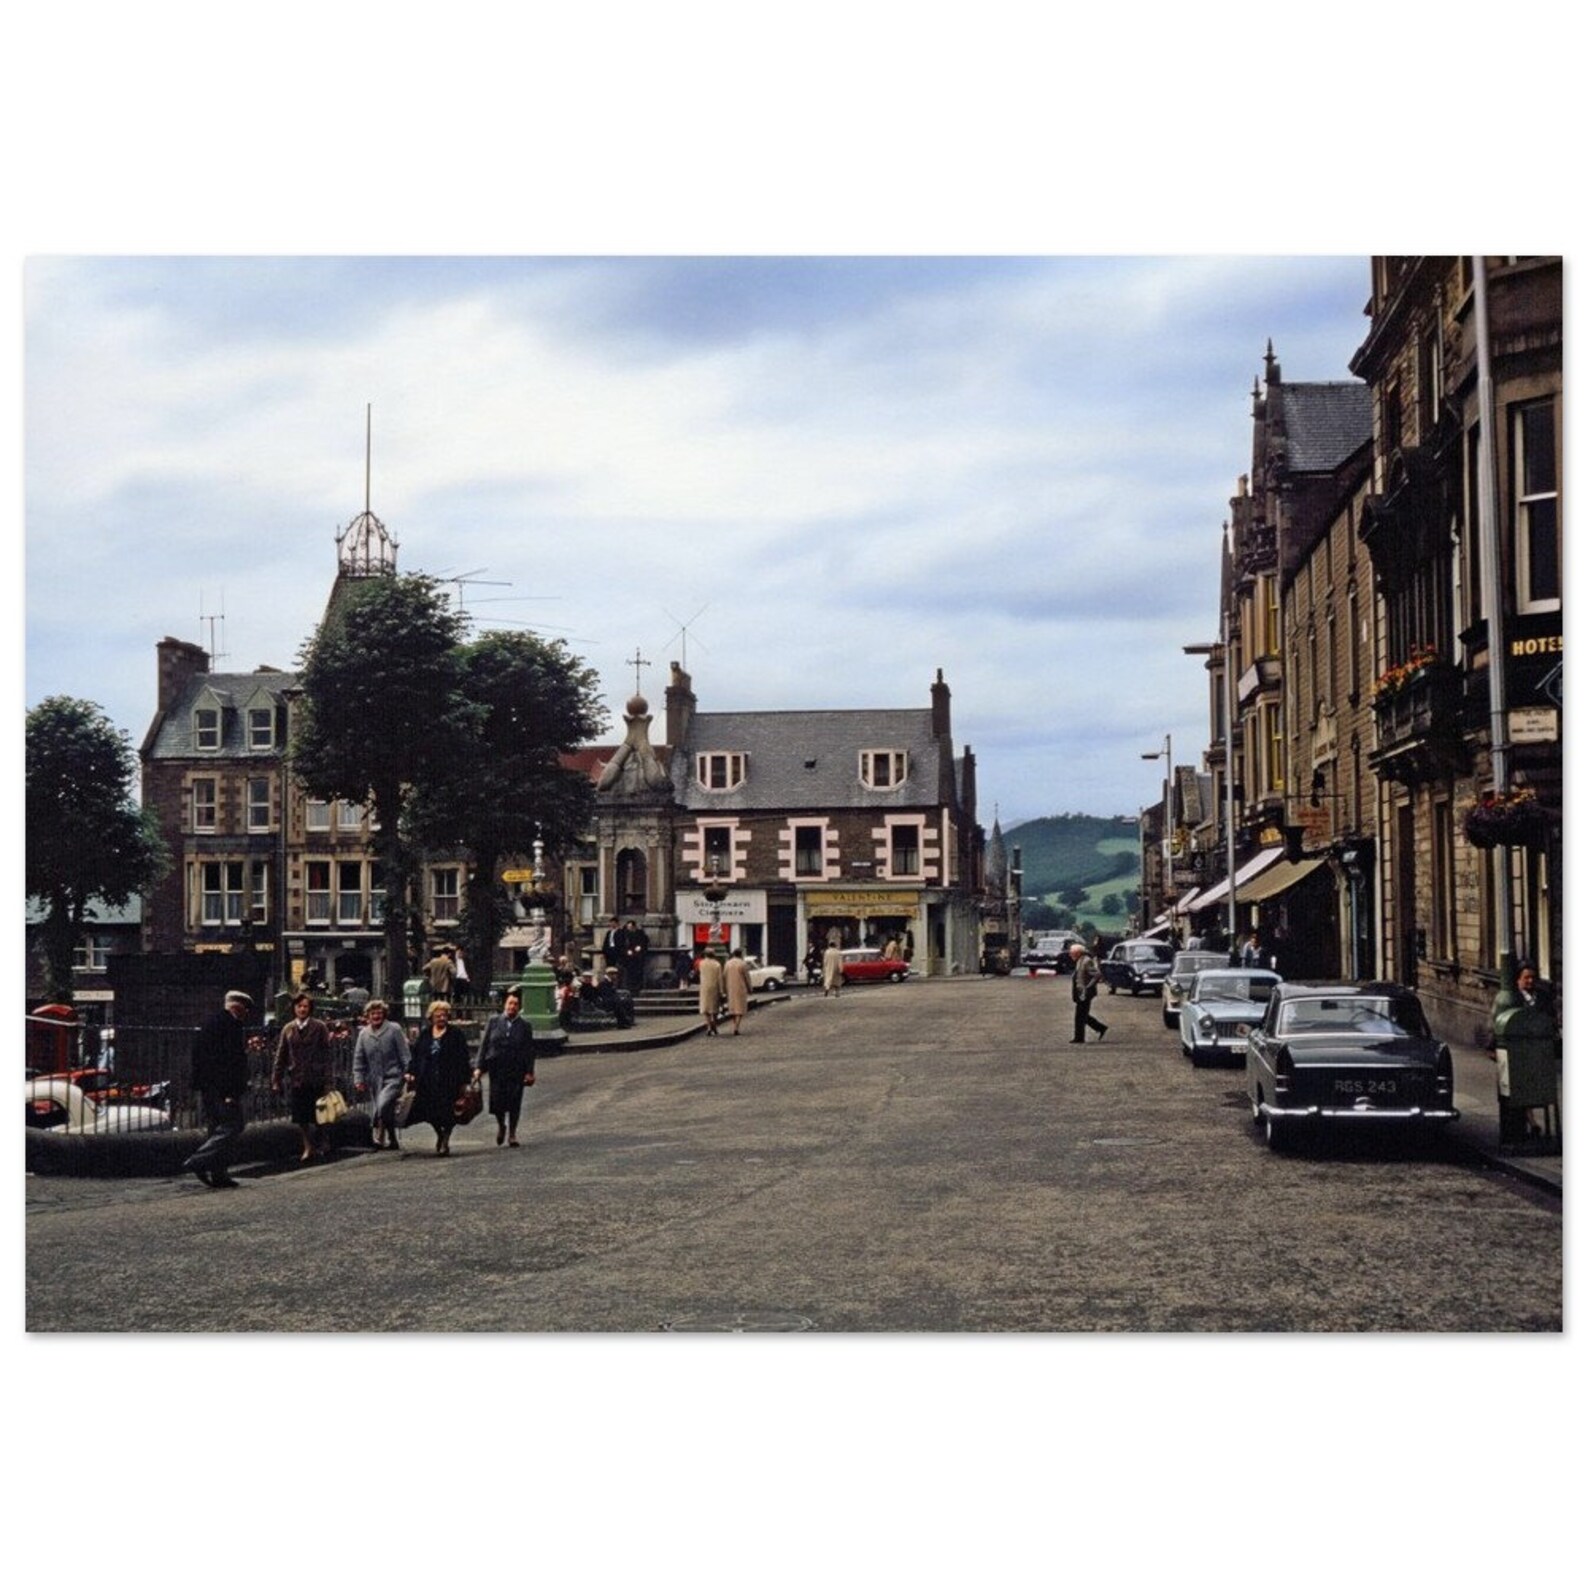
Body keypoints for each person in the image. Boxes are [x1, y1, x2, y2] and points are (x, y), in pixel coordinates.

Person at [182, 990, 254, 1189]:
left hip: (208, 1086)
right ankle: (198, 1160)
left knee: (215, 1128)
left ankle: (219, 1174)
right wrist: (231, 1093)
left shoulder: (209, 1023)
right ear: (236, 1006)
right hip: (222, 1089)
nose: (247, 1013)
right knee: (234, 1125)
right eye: (245, 1008)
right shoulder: (230, 1026)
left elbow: (198, 1057)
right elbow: (230, 1062)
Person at [271, 992, 335, 1162]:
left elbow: (327, 1055)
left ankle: (324, 1141)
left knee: (320, 1113)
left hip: (316, 1077)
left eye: (305, 1006)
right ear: (294, 1008)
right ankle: (308, 1146)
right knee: (301, 1116)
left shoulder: (319, 1027)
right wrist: (276, 1079)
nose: (302, 1009)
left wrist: (328, 1080)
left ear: (310, 1009)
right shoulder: (288, 1028)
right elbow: (281, 1054)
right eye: (299, 1006)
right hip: (297, 1078)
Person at [404, 1001, 472, 1156]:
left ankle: (445, 1138)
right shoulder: (425, 1034)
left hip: (449, 1080)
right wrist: (411, 1071)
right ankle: (439, 1134)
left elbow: (463, 1058)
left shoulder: (455, 1034)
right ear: (431, 1017)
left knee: (448, 1112)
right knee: (429, 1112)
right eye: (438, 1016)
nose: (441, 1018)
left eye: (444, 1015)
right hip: (427, 1080)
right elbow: (416, 1055)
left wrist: (465, 1081)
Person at [476, 986, 536, 1147]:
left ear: (519, 1007)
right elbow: (484, 1045)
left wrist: (529, 1072)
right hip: (497, 1068)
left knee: (514, 1102)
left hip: (516, 1069)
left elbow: (529, 1050)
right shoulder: (494, 1022)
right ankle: (501, 1125)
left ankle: (512, 1134)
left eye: (515, 1004)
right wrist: (479, 1067)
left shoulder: (525, 1026)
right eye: (510, 1003)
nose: (512, 1007)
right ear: (505, 1004)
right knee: (498, 1102)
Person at [351, 998, 410, 1151]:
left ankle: (378, 1134)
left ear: (384, 1014)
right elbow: (359, 1058)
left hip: (394, 1077)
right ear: (368, 1015)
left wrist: (408, 1072)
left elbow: (404, 1054)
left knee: (382, 1104)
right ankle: (392, 1139)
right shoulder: (364, 1034)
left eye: (379, 1013)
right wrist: (358, 1079)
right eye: (373, 1013)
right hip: (375, 1080)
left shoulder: (394, 1029)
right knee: (386, 1108)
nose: (376, 1016)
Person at [1067, 944, 1108, 1044]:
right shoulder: (1079, 960)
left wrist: (1088, 986)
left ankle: (1079, 1037)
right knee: (1082, 1015)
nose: (1070, 955)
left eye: (1072, 953)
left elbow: (1097, 975)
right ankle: (1100, 1027)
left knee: (1080, 1016)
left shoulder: (1086, 961)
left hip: (1085, 993)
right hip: (1080, 992)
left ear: (1078, 953)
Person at [723, 948, 752, 1036]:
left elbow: (724, 975)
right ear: (740, 955)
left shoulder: (728, 963)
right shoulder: (742, 964)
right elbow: (747, 977)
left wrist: (724, 988)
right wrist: (750, 988)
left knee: (732, 1008)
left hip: (730, 987)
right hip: (740, 987)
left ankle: (735, 1024)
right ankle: (736, 1027)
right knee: (740, 1008)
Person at [698, 950, 725, 1035]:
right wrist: (721, 990)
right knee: (714, 1008)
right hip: (714, 987)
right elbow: (720, 978)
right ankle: (714, 1024)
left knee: (706, 1009)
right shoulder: (717, 964)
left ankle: (709, 1026)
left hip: (704, 987)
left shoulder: (701, 963)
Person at [622, 919, 650, 993]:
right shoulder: (626, 934)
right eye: (628, 927)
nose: (629, 929)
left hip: (638, 956)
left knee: (638, 972)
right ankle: (630, 986)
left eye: (630, 927)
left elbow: (644, 942)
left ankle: (638, 986)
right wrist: (627, 951)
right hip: (630, 957)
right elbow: (624, 945)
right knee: (630, 972)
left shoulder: (640, 933)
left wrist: (639, 947)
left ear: (634, 927)